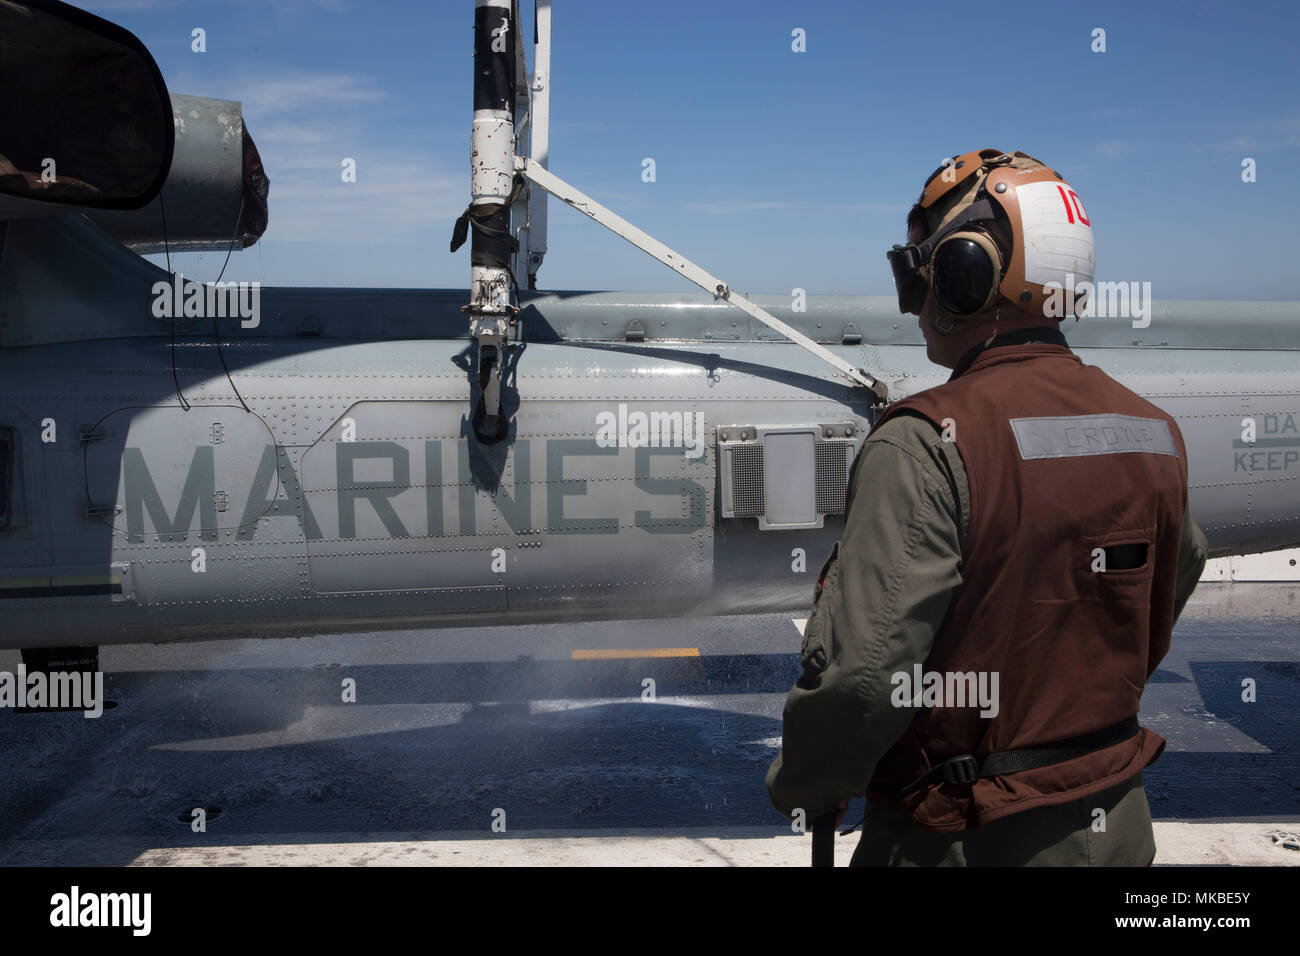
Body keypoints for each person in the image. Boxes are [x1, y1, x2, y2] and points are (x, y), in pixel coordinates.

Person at [765, 149, 1209, 866]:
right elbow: (1170, 579)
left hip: (964, 837)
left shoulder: (925, 440)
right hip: (1116, 827)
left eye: (921, 274)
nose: (914, 305)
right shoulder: (1152, 431)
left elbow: (866, 677)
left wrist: (808, 779)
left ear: (969, 274)